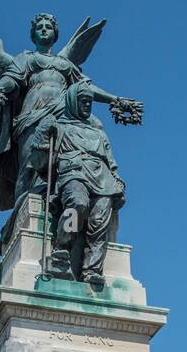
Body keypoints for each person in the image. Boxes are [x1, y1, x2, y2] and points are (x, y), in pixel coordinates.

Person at [32, 80, 125, 286]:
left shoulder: (99, 133)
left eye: (90, 102)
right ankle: (62, 250)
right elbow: (39, 162)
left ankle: (92, 268)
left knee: (99, 221)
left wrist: (117, 180)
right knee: (77, 205)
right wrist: (42, 136)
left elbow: (110, 161)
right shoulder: (59, 127)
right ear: (73, 101)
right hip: (73, 172)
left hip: (102, 177)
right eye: (83, 101)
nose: (87, 105)